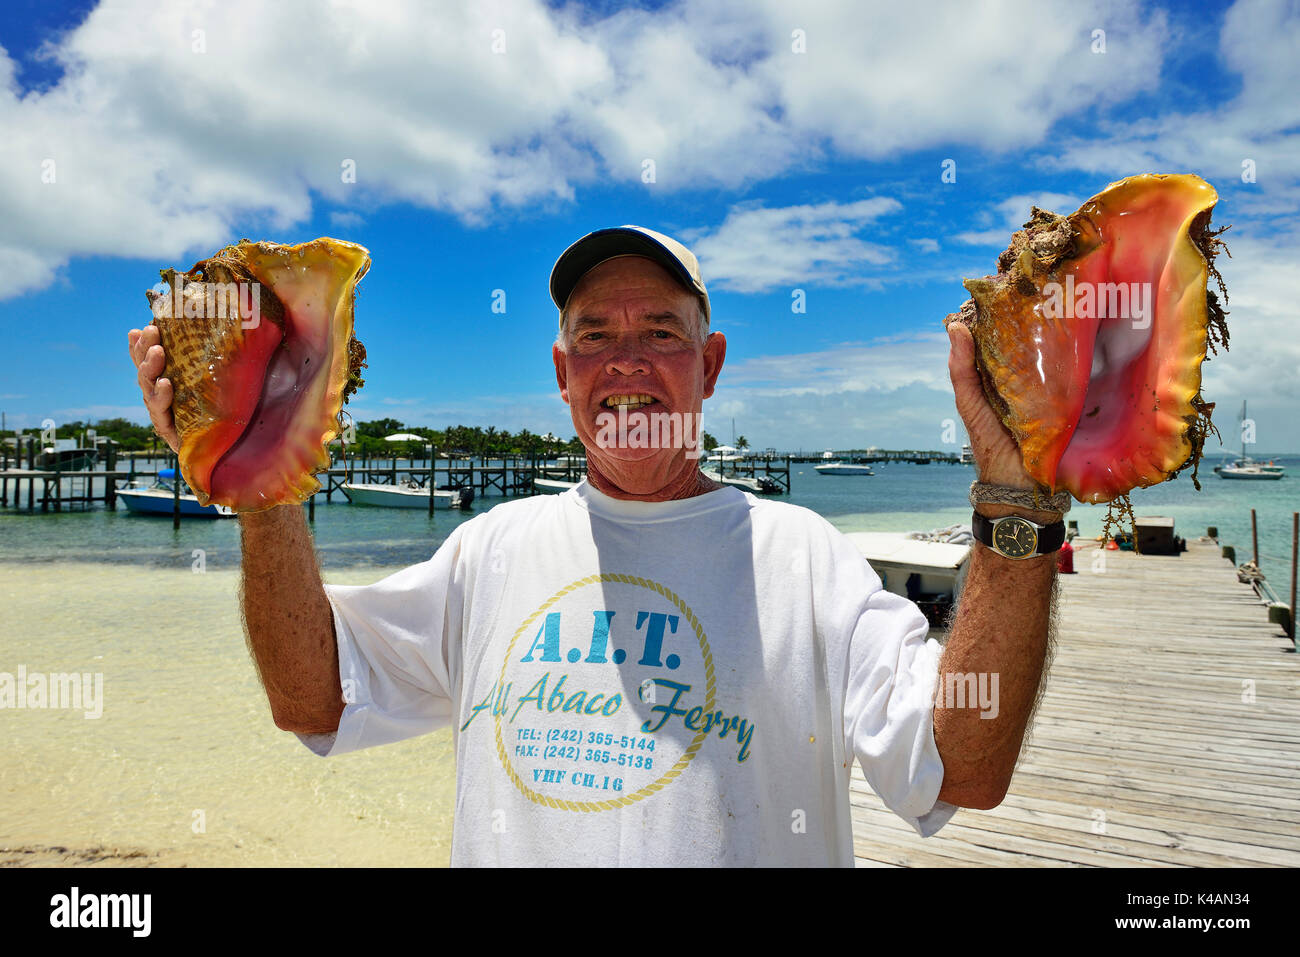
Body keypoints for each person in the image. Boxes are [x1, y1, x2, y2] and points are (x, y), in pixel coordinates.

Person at [128, 225, 1062, 866]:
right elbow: (312, 696)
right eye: (594, 336)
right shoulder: (489, 550)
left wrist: (1016, 501)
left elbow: (963, 769)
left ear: (711, 363)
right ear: (562, 374)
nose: (626, 360)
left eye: (661, 332)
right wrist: (261, 493)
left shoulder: (805, 559)